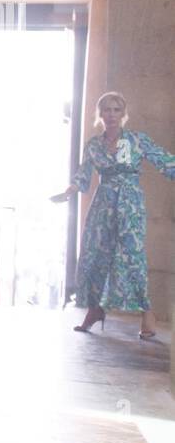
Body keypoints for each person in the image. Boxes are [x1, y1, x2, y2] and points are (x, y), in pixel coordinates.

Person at [52, 91, 175, 340]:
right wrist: (70, 190)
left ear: (123, 114)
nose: (111, 114)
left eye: (116, 109)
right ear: (100, 114)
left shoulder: (136, 141)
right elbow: (83, 176)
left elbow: (165, 161)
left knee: (132, 256)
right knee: (96, 255)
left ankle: (146, 312)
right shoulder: (94, 145)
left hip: (129, 205)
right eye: (107, 109)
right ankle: (95, 309)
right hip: (103, 205)